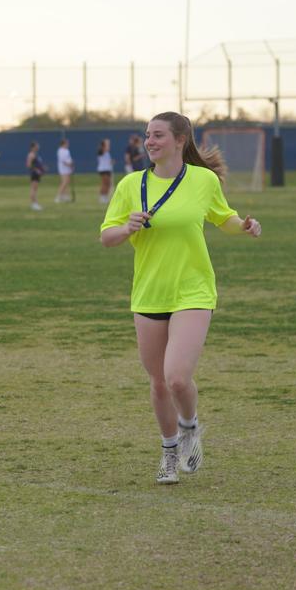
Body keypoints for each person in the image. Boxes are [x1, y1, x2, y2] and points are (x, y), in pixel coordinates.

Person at [100, 111, 261, 485]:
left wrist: (246, 226)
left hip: (193, 290)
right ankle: (169, 452)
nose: (149, 141)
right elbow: (106, 237)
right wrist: (126, 228)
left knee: (176, 379)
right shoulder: (130, 184)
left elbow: (224, 218)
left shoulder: (202, 180)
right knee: (157, 382)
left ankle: (190, 429)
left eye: (157, 135)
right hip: (149, 293)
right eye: (147, 135)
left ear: (179, 140)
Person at [26, 141, 47, 211]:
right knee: (33, 189)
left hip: (38, 174)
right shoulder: (31, 155)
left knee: (35, 189)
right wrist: (36, 170)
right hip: (34, 174)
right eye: (36, 145)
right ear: (33, 147)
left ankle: (36, 203)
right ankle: (34, 204)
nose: (38, 147)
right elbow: (28, 165)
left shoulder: (36, 154)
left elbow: (38, 163)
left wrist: (43, 168)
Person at [55, 138, 75, 203]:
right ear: (63, 144)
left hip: (68, 169)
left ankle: (64, 196)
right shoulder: (60, 151)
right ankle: (58, 197)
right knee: (64, 182)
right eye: (67, 143)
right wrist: (69, 165)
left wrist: (71, 165)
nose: (68, 144)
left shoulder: (67, 151)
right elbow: (63, 161)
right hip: (63, 169)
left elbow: (69, 159)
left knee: (67, 182)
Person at [96, 138, 114, 204]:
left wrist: (111, 162)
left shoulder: (107, 153)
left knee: (108, 184)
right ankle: (102, 197)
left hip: (107, 169)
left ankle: (105, 197)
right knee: (104, 183)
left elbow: (107, 160)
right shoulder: (101, 151)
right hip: (103, 170)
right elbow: (106, 148)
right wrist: (106, 142)